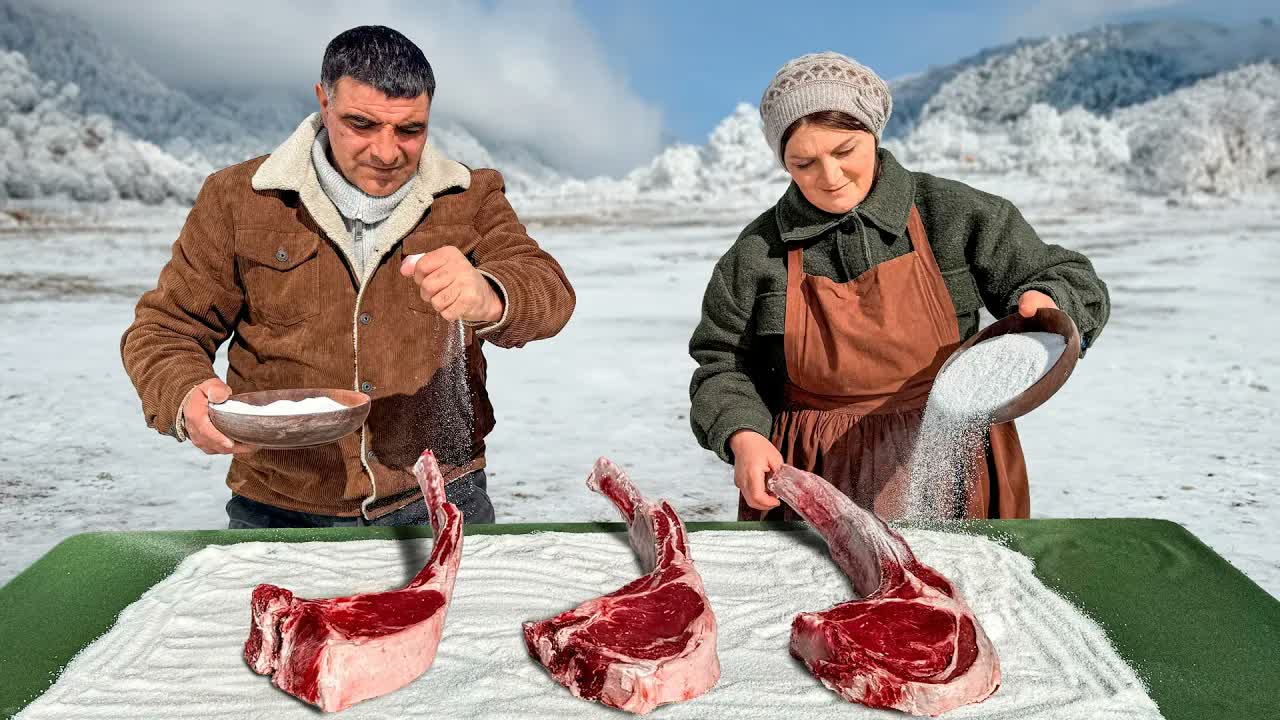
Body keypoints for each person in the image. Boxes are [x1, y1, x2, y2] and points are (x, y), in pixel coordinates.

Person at [121, 26, 575, 528]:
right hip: (278, 508)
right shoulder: (238, 198)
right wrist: (187, 397)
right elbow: (165, 329)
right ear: (323, 100)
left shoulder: (469, 197)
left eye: (410, 130)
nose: (386, 152)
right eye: (361, 124)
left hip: (442, 499)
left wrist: (490, 295)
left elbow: (547, 288)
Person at [688, 52, 1109, 521]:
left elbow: (1071, 277)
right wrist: (742, 434)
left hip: (952, 455)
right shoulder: (756, 254)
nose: (829, 177)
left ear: (873, 133)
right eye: (803, 163)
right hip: (810, 473)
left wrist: (1048, 301)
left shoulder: (950, 212)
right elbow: (721, 363)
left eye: (845, 151)